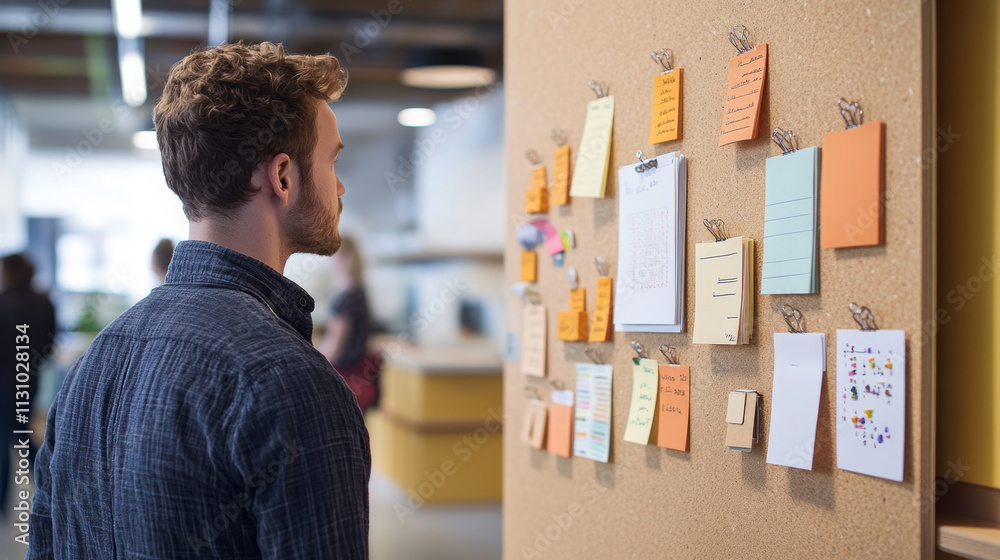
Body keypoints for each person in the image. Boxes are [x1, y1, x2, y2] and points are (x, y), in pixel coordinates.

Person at [28, 42, 370, 559]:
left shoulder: (94, 364)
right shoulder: (289, 381)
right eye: (331, 161)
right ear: (282, 177)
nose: (340, 187)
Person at [0, 254, 56, 515]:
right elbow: (48, 343)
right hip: (29, 379)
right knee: (19, 433)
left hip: (4, 382)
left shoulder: (3, 302)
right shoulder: (44, 302)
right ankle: (52, 479)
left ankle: (52, 478)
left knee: (10, 436)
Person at [318, 236, 378, 413]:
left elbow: (334, 350)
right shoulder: (358, 291)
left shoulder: (347, 297)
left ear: (343, 258)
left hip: (347, 377)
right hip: (359, 375)